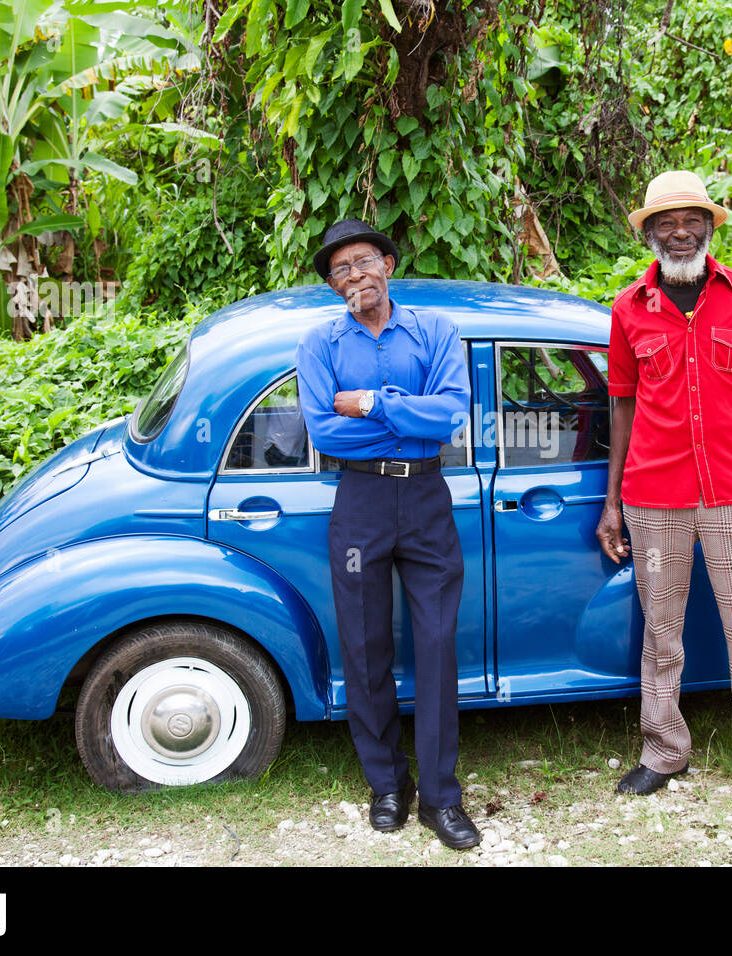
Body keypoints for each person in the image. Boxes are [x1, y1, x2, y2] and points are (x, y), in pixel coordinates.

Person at [595, 171, 732, 806]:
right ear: (649, 233)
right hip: (653, 495)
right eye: (665, 222)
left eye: (691, 218)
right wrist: (612, 504)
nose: (679, 230)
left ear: (711, 224)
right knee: (661, 630)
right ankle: (664, 751)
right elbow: (622, 407)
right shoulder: (628, 308)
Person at [296, 218, 482, 848]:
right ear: (332, 285)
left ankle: (441, 798)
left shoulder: (436, 331)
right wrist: (410, 415)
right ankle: (386, 786)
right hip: (361, 500)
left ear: (388, 265)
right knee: (366, 645)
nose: (355, 275)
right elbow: (324, 432)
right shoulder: (319, 345)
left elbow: (451, 416)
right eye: (341, 269)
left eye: (364, 261)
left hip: (428, 496)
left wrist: (374, 404)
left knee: (436, 644)